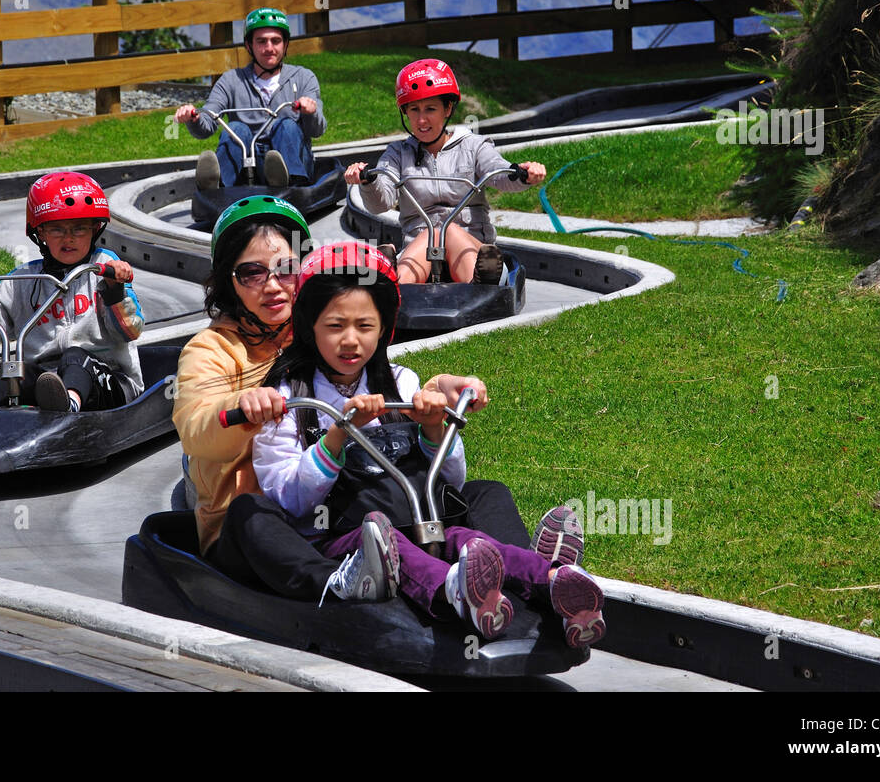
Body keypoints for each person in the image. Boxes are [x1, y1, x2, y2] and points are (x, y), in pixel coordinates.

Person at [251, 241, 606, 647]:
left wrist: (434, 427)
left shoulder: (400, 383)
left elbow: (451, 482)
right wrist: (339, 434)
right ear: (310, 327)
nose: (350, 341)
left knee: (468, 540)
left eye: (365, 326)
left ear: (384, 328)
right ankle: (455, 591)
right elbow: (292, 499)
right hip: (344, 537)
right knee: (392, 541)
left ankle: (555, 581)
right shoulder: (290, 400)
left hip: (419, 520)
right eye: (335, 326)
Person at [171, 195, 350, 599]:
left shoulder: (324, 332)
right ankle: (337, 587)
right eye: (252, 273)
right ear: (228, 281)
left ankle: (477, 571)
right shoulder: (211, 349)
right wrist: (241, 406)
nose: (272, 286)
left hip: (331, 507)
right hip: (249, 525)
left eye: (287, 269)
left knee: (481, 492)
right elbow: (195, 428)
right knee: (251, 512)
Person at [0, 171, 145, 415]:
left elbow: (130, 331)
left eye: (79, 229)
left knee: (75, 357)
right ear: (40, 233)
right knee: (15, 371)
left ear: (95, 229)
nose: (68, 238)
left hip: (110, 382)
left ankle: (69, 405)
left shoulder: (105, 268)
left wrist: (114, 290)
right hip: (46, 385)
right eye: (57, 229)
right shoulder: (24, 280)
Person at [344, 58, 547, 285]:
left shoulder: (474, 146)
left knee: (448, 231)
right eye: (414, 110)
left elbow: (498, 172)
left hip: (470, 245)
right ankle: (394, 284)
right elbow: (380, 204)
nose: (422, 120)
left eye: (430, 109)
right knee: (435, 233)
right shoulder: (397, 154)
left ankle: (482, 284)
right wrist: (367, 182)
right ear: (405, 112)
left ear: (447, 109)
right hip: (420, 248)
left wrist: (523, 174)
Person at [174, 7, 326, 190]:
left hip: (292, 162)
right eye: (261, 41)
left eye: (276, 41)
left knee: (286, 125)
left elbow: (317, 130)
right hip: (247, 164)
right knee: (236, 128)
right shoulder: (231, 80)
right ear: (249, 46)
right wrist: (194, 118)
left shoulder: (303, 77)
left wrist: (311, 112)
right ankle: (217, 187)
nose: (269, 48)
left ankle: (289, 182)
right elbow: (207, 125)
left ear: (285, 45)